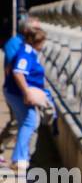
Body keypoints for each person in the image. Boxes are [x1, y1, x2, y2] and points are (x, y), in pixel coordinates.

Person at [3, 25, 51, 172]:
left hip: (16, 92)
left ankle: (22, 157)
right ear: (37, 42)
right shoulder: (26, 53)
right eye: (42, 42)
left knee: (28, 122)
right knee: (30, 121)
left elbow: (10, 69)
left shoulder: (27, 51)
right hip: (17, 94)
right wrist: (26, 93)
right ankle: (19, 159)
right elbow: (18, 72)